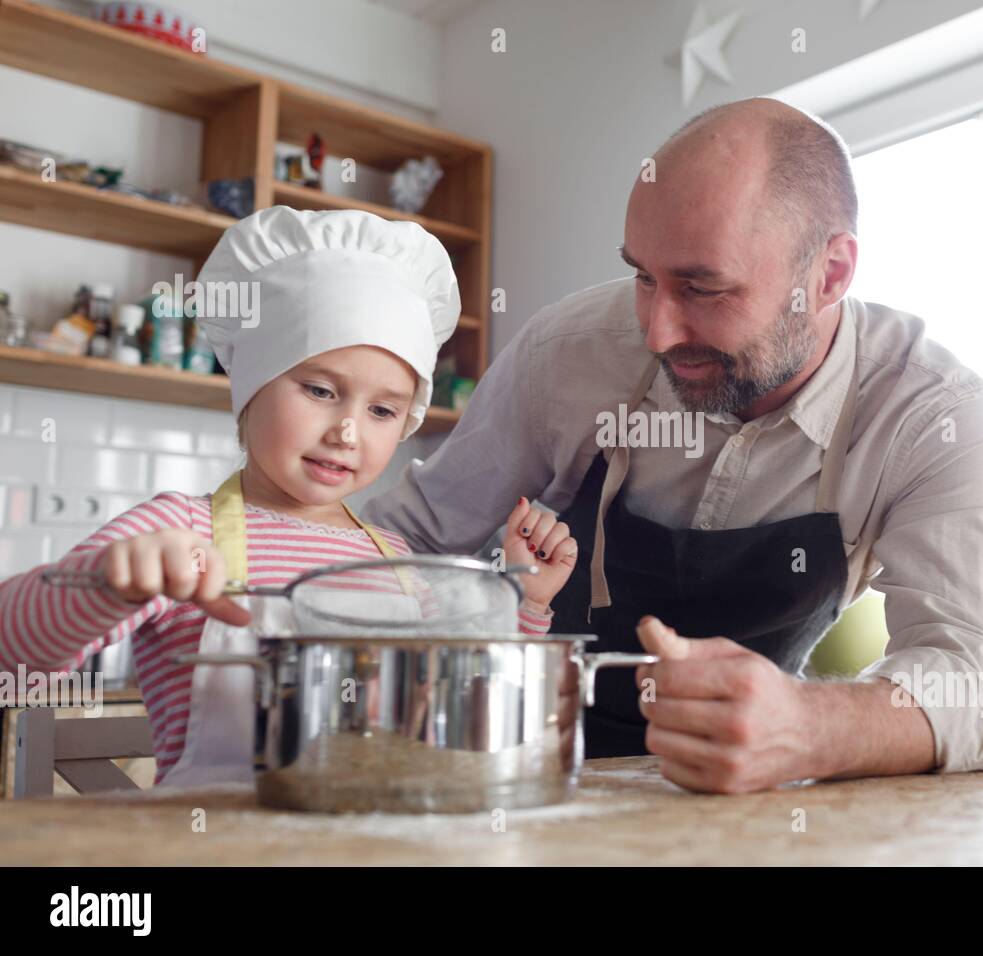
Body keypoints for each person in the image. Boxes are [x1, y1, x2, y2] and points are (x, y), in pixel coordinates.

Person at [363, 98, 983, 794]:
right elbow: (409, 543)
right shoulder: (566, 355)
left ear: (830, 275)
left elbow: (976, 678)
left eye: (702, 287)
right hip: (524, 775)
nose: (656, 330)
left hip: (747, 805)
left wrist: (806, 727)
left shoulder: (929, 414)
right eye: (643, 277)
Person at [0, 206, 577, 787]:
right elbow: (11, 651)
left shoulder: (395, 558)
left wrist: (525, 600)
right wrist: (105, 583)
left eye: (382, 410)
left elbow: (463, 704)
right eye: (321, 390)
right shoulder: (178, 529)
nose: (347, 432)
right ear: (251, 387)